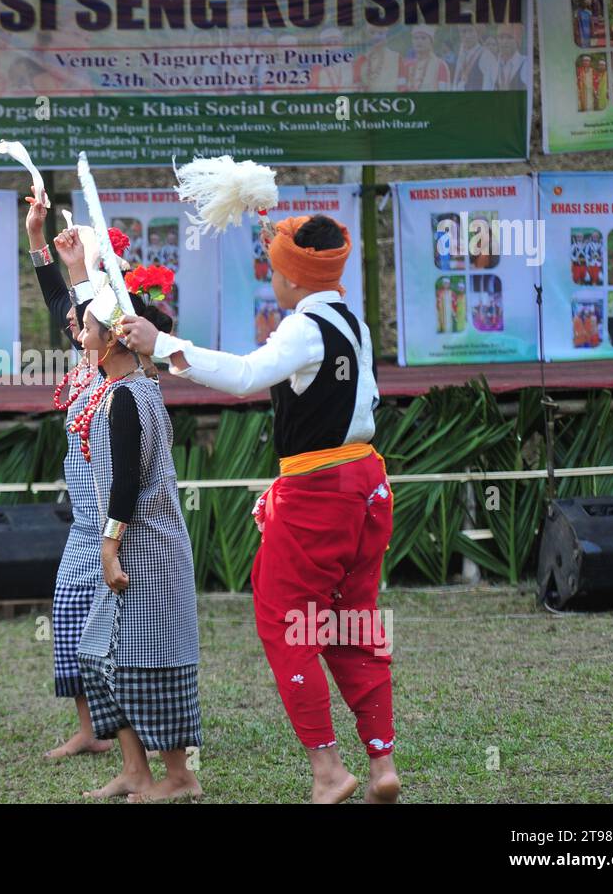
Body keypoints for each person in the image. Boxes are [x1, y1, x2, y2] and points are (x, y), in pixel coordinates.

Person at [120, 214, 399, 805]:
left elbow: (246, 376)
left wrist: (162, 345)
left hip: (318, 491)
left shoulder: (301, 328)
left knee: (286, 620)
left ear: (293, 280)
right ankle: (381, 764)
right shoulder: (353, 321)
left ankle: (328, 771)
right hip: (368, 484)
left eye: (274, 270)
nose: (271, 281)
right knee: (354, 621)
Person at [73, 272, 200, 802]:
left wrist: (107, 544)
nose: (80, 339)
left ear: (111, 342)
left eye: (86, 330)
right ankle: (134, 770)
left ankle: (180, 777)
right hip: (138, 542)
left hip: (144, 546)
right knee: (101, 653)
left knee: (147, 658)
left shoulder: (127, 397)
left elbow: (126, 480)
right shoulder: (127, 389)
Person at [25, 196, 131, 760]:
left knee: (118, 626)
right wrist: (41, 242)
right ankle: (91, 730)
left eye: (82, 314)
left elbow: (87, 305)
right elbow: (59, 303)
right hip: (84, 522)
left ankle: (138, 730)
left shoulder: (119, 362)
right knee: (67, 613)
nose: (72, 321)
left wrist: (75, 267)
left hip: (120, 520)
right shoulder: (87, 355)